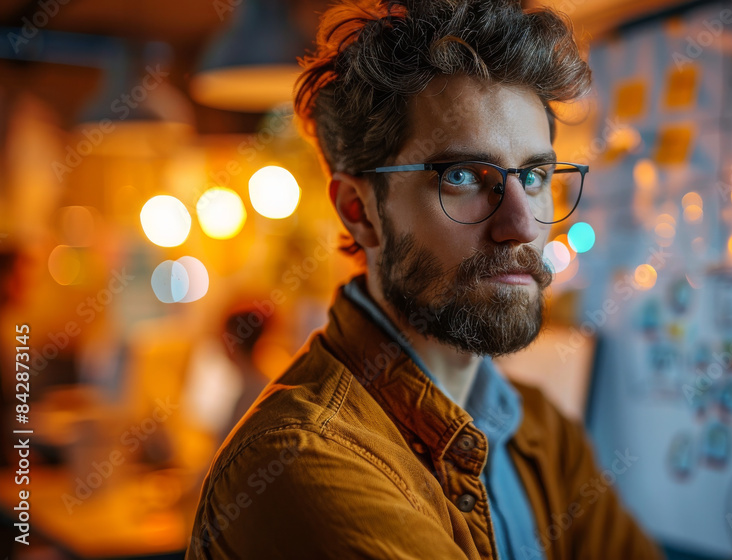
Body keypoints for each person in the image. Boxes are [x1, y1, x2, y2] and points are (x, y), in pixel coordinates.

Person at [186, 0, 665, 558]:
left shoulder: (540, 432)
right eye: (462, 176)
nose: (522, 225)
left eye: (533, 175)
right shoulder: (301, 458)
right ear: (360, 211)